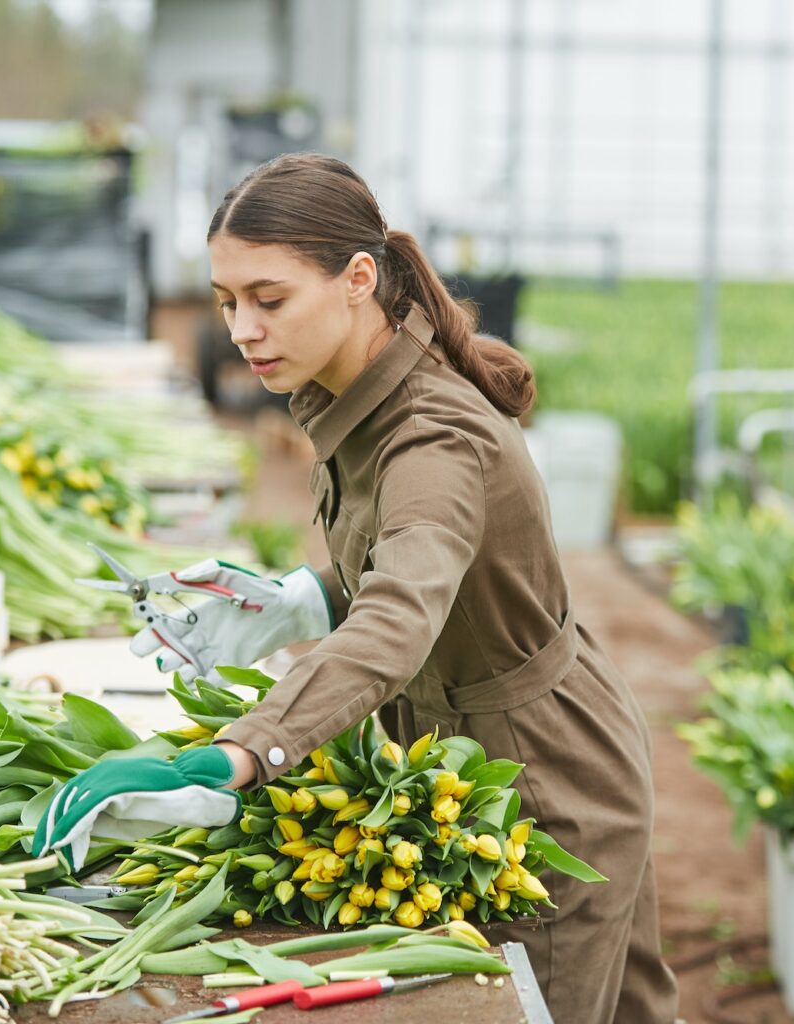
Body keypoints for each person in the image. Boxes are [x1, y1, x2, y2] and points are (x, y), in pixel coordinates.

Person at [33, 152, 679, 1023]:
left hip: (545, 785)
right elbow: (409, 563)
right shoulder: (358, 391)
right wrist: (307, 596)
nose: (241, 329)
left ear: (358, 279)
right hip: (487, 750)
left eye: (269, 299)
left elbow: (401, 616)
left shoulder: (431, 439)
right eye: (227, 302)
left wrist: (245, 750)